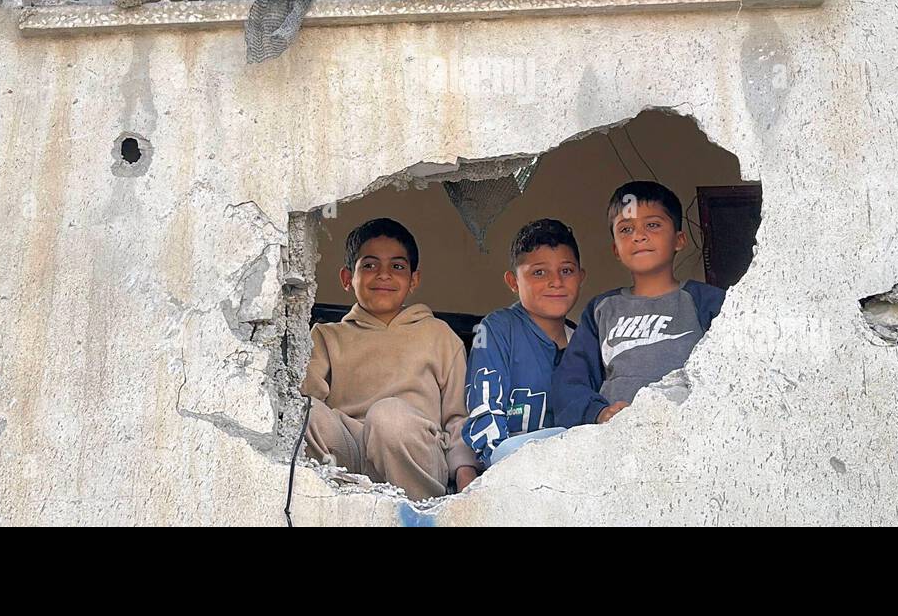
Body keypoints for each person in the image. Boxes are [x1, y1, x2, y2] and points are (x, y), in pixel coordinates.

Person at [302, 218, 478, 499]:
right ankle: (340, 504)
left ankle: (416, 511)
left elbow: (459, 417)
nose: (383, 275)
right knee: (303, 411)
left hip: (414, 457)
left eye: (397, 266)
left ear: (414, 280)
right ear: (347, 278)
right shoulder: (326, 336)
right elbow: (306, 400)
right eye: (369, 265)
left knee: (389, 417)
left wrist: (465, 474)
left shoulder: (439, 335)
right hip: (352, 457)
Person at [551, 181, 724, 427]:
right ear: (616, 249)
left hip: (689, 428)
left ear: (679, 239)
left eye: (652, 225)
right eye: (625, 229)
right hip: (617, 435)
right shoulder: (601, 310)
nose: (639, 236)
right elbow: (570, 382)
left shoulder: (708, 301)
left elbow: (731, 369)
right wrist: (599, 413)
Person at [464, 219, 583, 468]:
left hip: (574, 467)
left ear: (581, 277)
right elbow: (485, 408)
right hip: (510, 466)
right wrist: (500, 465)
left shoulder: (585, 340)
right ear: (513, 281)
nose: (556, 282)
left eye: (567, 270)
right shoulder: (497, 329)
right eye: (539, 272)